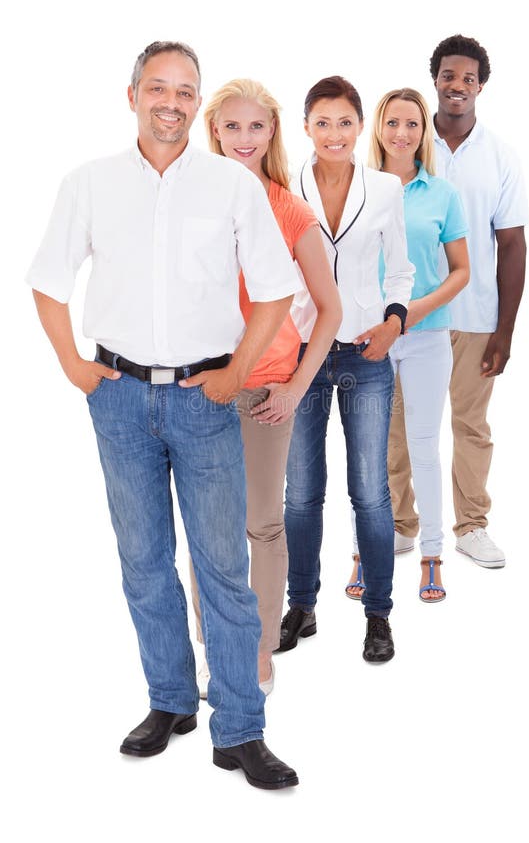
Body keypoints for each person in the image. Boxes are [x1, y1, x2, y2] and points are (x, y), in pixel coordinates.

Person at [26, 41, 303, 790]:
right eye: (159, 88)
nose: (172, 102)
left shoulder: (231, 187)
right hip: (115, 397)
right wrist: (75, 369)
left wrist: (238, 371)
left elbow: (276, 290)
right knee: (144, 563)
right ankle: (170, 701)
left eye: (186, 90)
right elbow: (48, 284)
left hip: (204, 398)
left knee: (223, 569)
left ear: (197, 102)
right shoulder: (89, 183)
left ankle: (240, 729)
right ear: (132, 96)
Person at [189, 79, 341, 694]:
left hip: (265, 391)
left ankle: (259, 656)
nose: (244, 139)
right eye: (232, 127)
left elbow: (329, 310)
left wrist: (297, 388)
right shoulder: (194, 204)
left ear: (273, 132)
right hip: (200, 387)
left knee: (261, 525)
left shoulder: (290, 211)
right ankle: (216, 652)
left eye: (256, 127)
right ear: (215, 132)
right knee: (206, 529)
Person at [278, 76, 414, 663]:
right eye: (322, 123)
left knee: (371, 493)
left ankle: (378, 614)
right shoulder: (284, 186)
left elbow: (402, 271)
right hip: (302, 353)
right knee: (302, 492)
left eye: (345, 123)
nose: (334, 134)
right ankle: (301, 605)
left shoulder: (385, 189)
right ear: (305, 128)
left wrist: (393, 321)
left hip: (365, 353)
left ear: (361, 129)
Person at [391, 35, 528, 568]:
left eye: (468, 78)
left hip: (474, 317)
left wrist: (505, 330)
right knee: (396, 424)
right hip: (408, 318)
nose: (457, 86)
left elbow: (512, 244)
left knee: (470, 425)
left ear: (481, 86)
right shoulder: (403, 145)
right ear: (435, 79)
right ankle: (401, 524)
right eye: (449, 75)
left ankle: (471, 525)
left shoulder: (500, 157)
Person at [345, 88, 469, 602]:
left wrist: (413, 312)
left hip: (426, 336)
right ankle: (363, 553)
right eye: (393, 122)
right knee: (366, 450)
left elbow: (461, 272)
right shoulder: (358, 188)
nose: (402, 133)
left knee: (423, 446)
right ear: (378, 128)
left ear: (424, 132)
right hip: (365, 337)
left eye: (412, 124)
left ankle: (433, 556)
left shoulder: (442, 194)